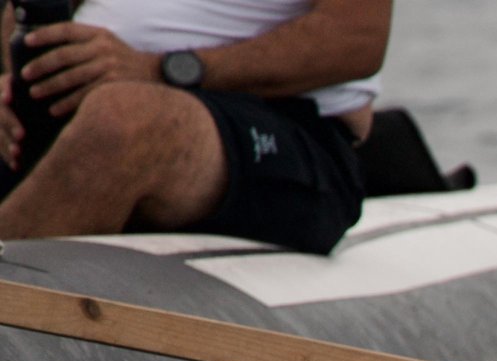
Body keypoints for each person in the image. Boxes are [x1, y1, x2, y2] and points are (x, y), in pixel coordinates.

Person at [0, 0, 388, 254]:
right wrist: (10, 82)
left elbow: (356, 40)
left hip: (287, 127)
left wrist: (161, 69)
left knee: (127, 119)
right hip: (74, 108)